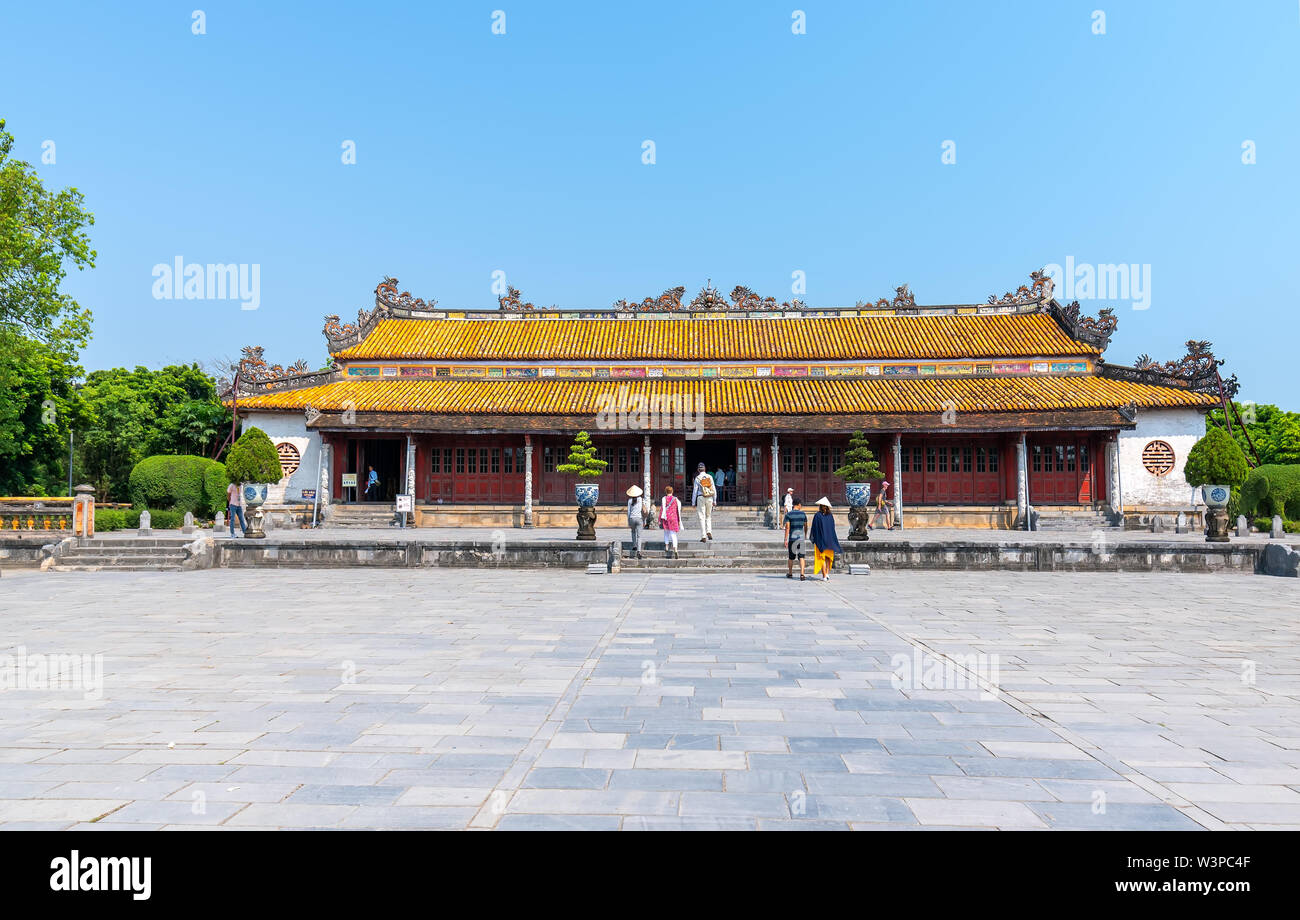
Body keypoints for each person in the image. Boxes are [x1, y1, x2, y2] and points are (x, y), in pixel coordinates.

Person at [809, 497, 843, 581]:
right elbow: (832, 528)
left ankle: (824, 575)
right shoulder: (830, 516)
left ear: (820, 506)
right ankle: (827, 574)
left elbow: (814, 528)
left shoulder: (817, 515)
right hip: (830, 540)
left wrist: (815, 538)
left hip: (821, 540)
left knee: (822, 558)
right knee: (828, 557)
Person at [784, 496, 809, 580]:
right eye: (800, 504)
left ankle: (790, 573)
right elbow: (806, 526)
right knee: (801, 557)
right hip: (801, 539)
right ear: (798, 505)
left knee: (791, 557)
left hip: (792, 539)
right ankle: (802, 574)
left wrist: (785, 539)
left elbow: (787, 527)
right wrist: (805, 534)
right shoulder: (803, 514)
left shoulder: (789, 515)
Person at [691, 462, 716, 542]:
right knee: (708, 516)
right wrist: (714, 500)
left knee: (702, 517)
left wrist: (693, 502)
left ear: (698, 470)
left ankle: (703, 536)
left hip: (701, 497)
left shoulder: (697, 478)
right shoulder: (710, 477)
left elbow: (695, 491)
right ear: (705, 469)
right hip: (709, 497)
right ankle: (709, 531)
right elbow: (713, 489)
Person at [660, 485, 682, 558]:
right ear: (672, 491)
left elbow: (662, 509)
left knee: (666, 532)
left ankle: (666, 546)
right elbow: (678, 510)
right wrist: (679, 520)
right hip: (674, 517)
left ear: (666, 492)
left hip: (666, 517)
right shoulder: (676, 499)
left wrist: (659, 518)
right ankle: (675, 548)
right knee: (673, 534)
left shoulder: (664, 498)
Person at [626, 485, 645, 559]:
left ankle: (634, 546)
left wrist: (628, 521)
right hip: (639, 518)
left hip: (632, 518)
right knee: (639, 536)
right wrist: (644, 520)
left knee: (633, 532)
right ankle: (639, 551)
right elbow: (644, 510)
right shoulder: (640, 499)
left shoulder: (630, 501)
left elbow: (628, 512)